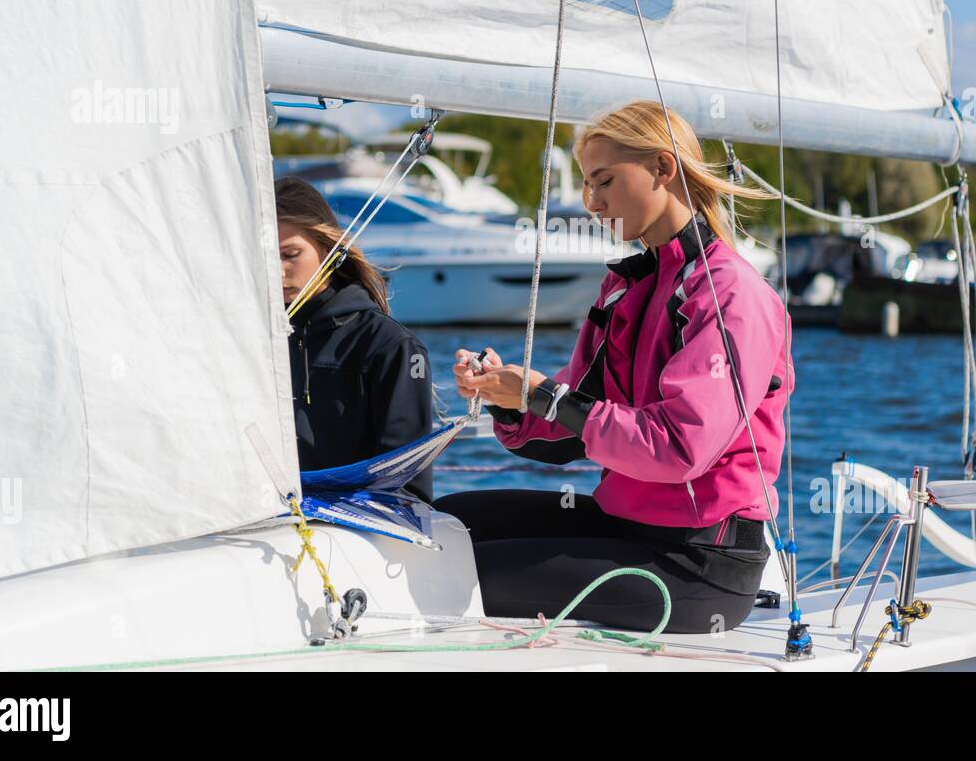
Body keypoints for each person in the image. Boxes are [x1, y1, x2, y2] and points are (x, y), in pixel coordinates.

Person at [434, 100, 794, 634]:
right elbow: (572, 431)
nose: (592, 203)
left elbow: (678, 449)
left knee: (452, 573)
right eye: (586, 185)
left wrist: (544, 396)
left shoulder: (728, 294)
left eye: (604, 181)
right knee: (447, 523)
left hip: (698, 566)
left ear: (662, 169)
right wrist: (509, 397)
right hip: (626, 524)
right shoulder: (628, 287)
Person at [276, 176, 435, 502]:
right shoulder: (249, 341)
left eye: (290, 254)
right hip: (262, 530)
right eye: (265, 256)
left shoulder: (390, 347)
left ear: (328, 247)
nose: (278, 271)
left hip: (356, 537)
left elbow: (407, 489)